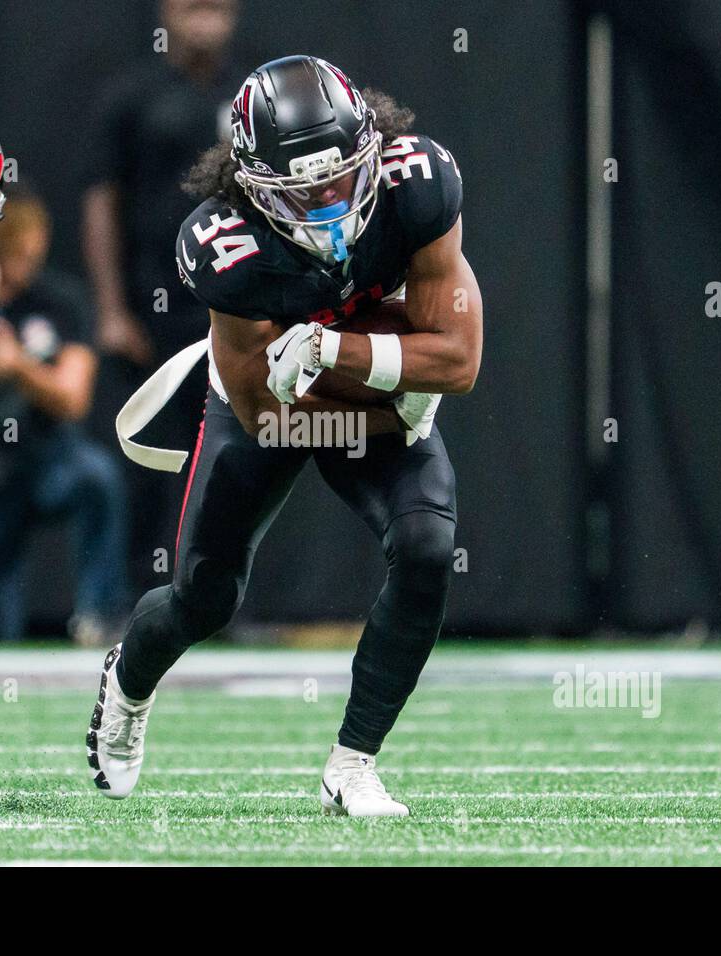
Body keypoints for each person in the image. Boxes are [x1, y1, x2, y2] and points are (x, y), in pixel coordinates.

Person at [87, 56, 482, 817]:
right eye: (302, 190)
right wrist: (395, 383)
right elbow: (269, 412)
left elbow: (459, 359)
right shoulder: (224, 245)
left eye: (339, 178)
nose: (329, 200)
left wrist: (337, 352)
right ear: (255, 188)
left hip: (345, 375)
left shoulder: (419, 184)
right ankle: (128, 685)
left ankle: (352, 765)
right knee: (205, 597)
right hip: (269, 404)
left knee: (428, 545)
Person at [82, 0, 241, 592]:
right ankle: (128, 600)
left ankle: (219, 599)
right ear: (167, 11)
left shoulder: (252, 98)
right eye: (194, 6)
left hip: (230, 307)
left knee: (228, 457)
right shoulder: (133, 96)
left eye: (217, 7)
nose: (207, 20)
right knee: (143, 458)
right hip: (151, 307)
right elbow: (102, 202)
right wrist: (111, 309)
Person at [0, 188, 128, 645]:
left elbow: (72, 397)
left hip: (48, 457)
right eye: (17, 255)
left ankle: (100, 615)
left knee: (97, 478)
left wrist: (19, 366)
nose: (26, 266)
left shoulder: (58, 301)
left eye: (32, 255)